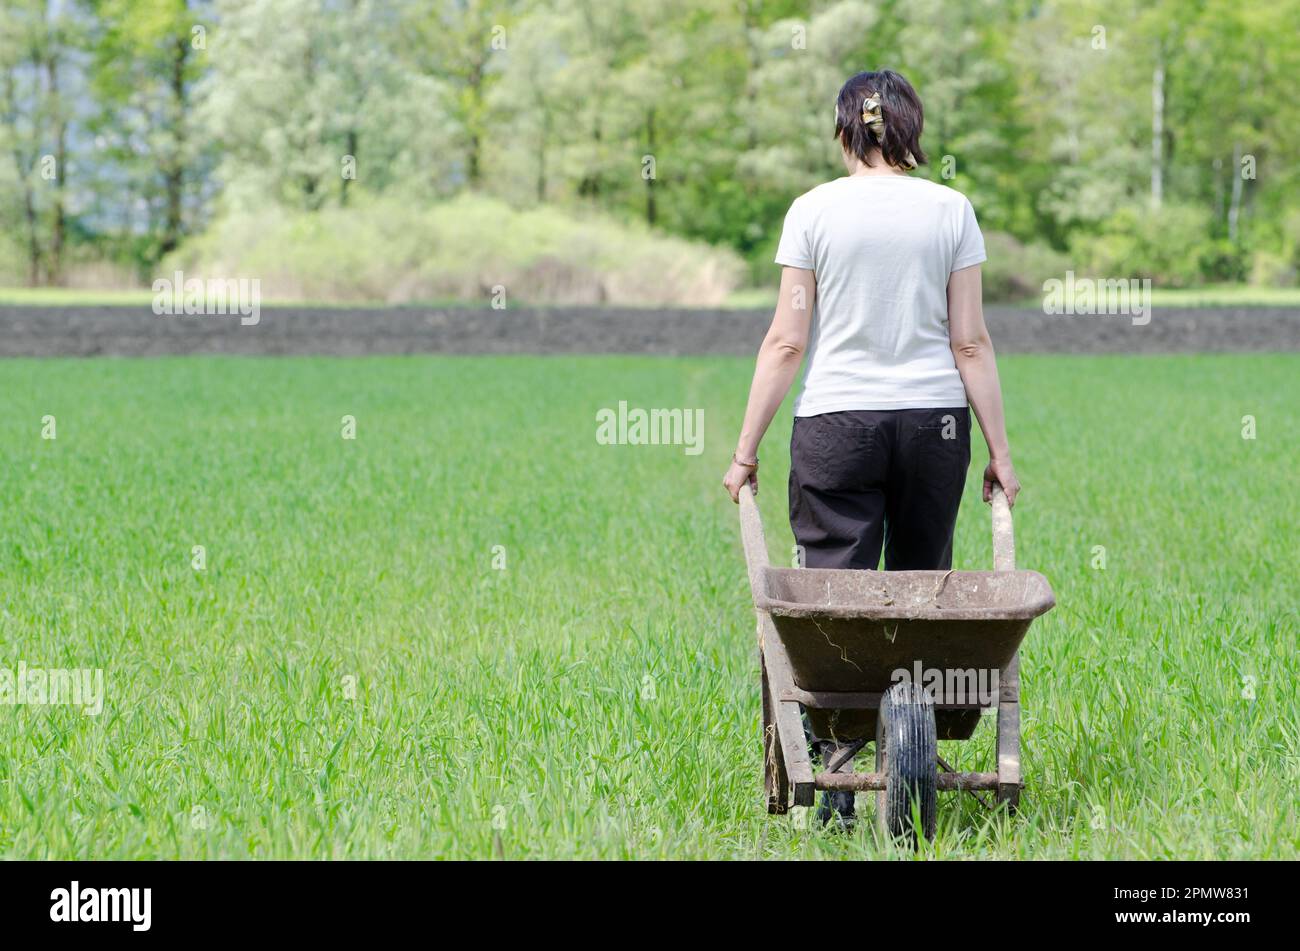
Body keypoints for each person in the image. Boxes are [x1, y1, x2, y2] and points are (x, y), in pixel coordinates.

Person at [721, 68, 1021, 829]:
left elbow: (788, 338)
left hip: (837, 424)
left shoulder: (812, 212)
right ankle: (914, 734)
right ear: (911, 128)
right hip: (935, 425)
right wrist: (1000, 450)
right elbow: (970, 341)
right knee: (924, 589)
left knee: (836, 595)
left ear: (843, 129)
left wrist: (745, 447)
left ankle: (841, 765)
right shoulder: (951, 210)